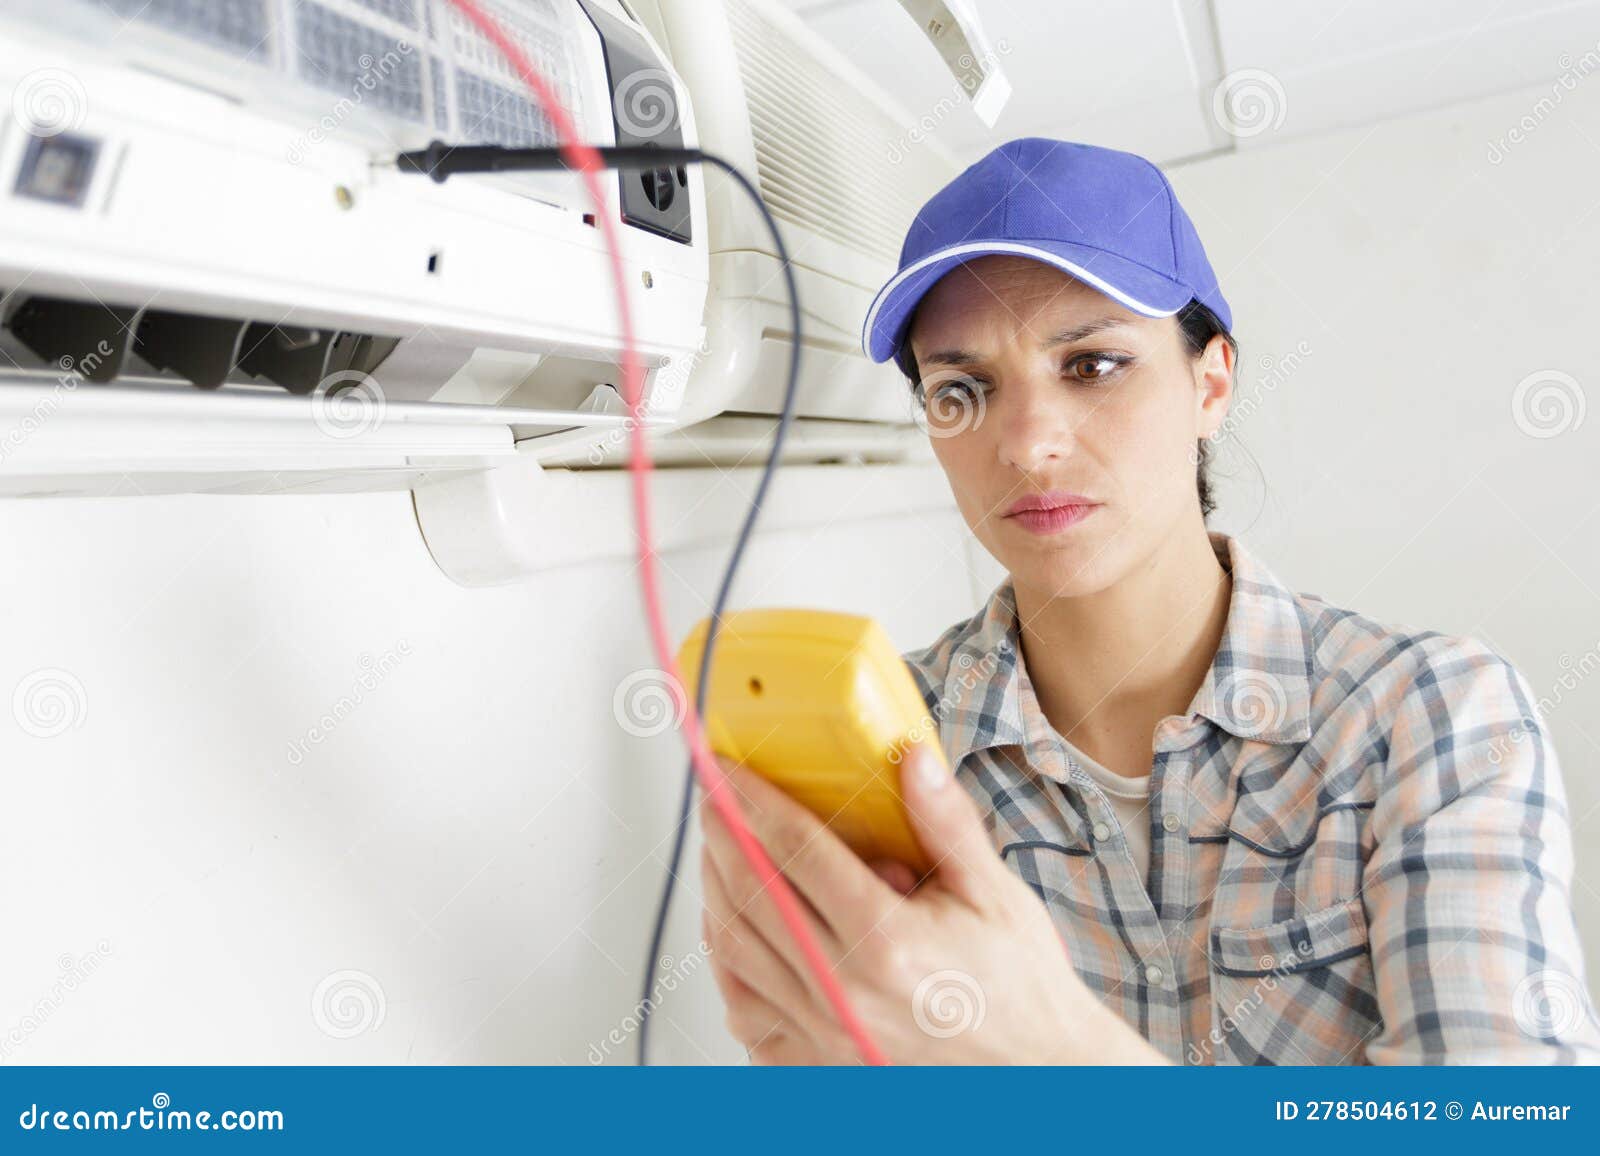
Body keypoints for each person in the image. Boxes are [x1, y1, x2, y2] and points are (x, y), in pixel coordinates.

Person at [698, 137, 1600, 1064]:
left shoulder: (1429, 716)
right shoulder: (889, 752)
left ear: (1211, 381)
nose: (1027, 443)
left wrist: (1049, 1057)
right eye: (962, 389)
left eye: (1091, 365)